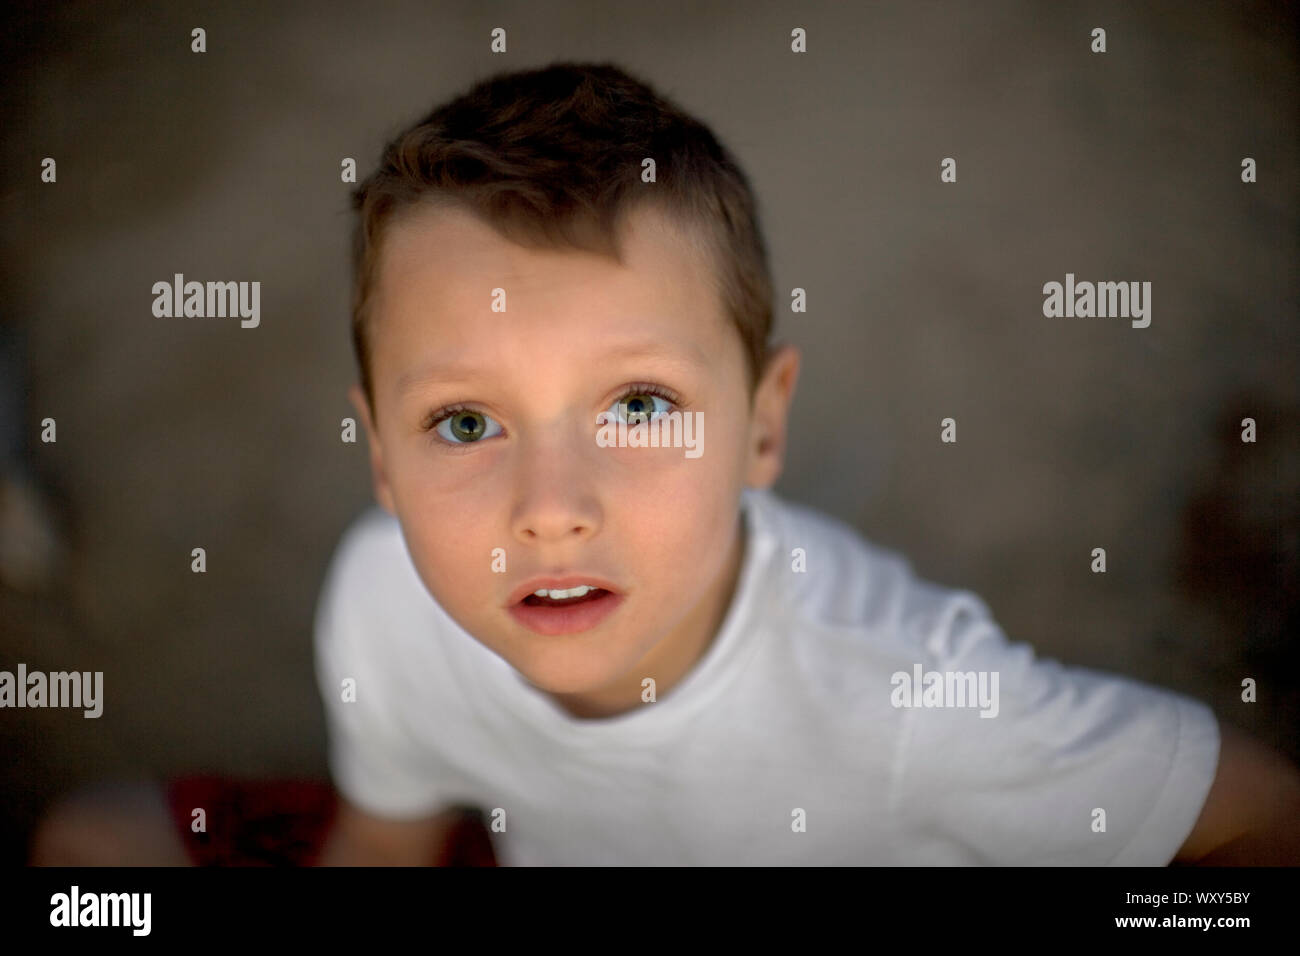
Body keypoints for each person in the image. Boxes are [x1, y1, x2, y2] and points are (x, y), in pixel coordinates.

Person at [30, 61, 1300, 867]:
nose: (549, 513)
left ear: (761, 424)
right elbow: (387, 832)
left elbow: (1253, 812)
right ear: (378, 455)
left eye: (638, 404)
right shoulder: (383, 594)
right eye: (465, 423)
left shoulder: (908, 705)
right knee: (90, 859)